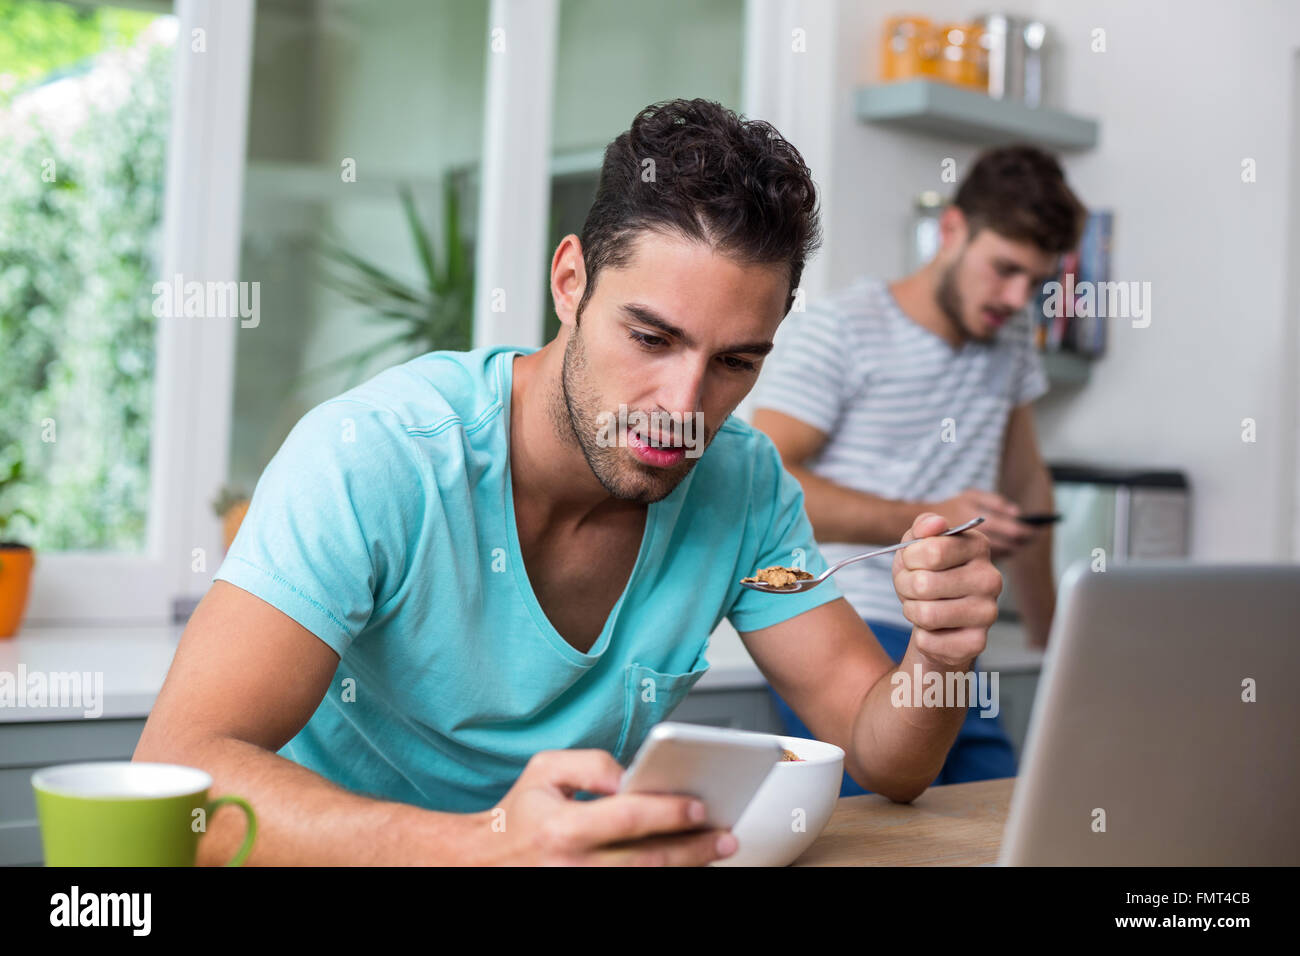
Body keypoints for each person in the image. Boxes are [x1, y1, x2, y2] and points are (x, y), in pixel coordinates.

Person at [135, 99, 1002, 865]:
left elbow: (887, 757)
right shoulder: (375, 457)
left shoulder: (741, 483)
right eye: (652, 339)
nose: (685, 407)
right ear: (570, 281)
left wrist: (940, 653)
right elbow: (174, 783)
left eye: (736, 361)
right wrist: (487, 849)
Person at [752, 145, 1086, 796]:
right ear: (953, 231)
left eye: (1036, 282)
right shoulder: (842, 330)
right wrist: (927, 519)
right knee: (881, 830)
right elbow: (769, 485)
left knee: (1008, 816)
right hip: (847, 622)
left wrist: (1054, 649)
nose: (1017, 298)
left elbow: (1026, 487)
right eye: (1005, 269)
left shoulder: (1012, 341)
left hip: (954, 634)